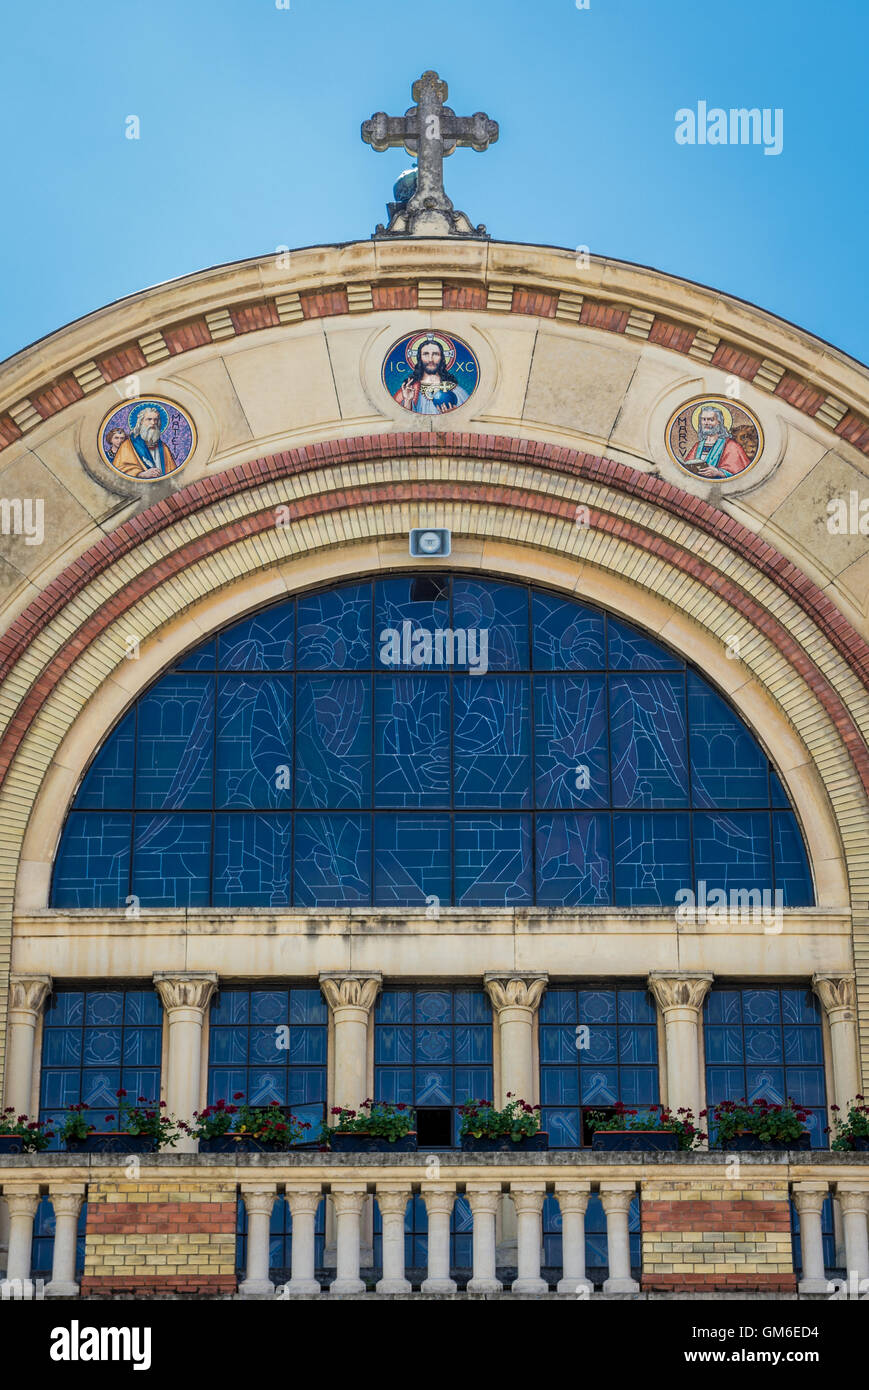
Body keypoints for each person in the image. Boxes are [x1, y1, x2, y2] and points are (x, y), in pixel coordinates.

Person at [394, 336, 469, 414]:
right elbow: (401, 419)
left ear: (442, 358)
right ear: (419, 358)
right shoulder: (410, 390)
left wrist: (451, 416)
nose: (430, 359)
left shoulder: (458, 392)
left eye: (435, 354)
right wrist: (408, 401)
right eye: (426, 354)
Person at [108, 405, 181, 478]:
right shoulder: (128, 445)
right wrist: (142, 474)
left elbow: (173, 472)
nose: (153, 423)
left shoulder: (163, 447)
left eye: (155, 420)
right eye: (149, 419)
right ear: (141, 421)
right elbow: (119, 470)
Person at [683, 404, 752, 478]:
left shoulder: (731, 446)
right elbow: (687, 466)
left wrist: (718, 473)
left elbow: (741, 474)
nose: (706, 423)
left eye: (711, 420)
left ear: (719, 422)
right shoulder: (698, 446)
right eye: (704, 419)